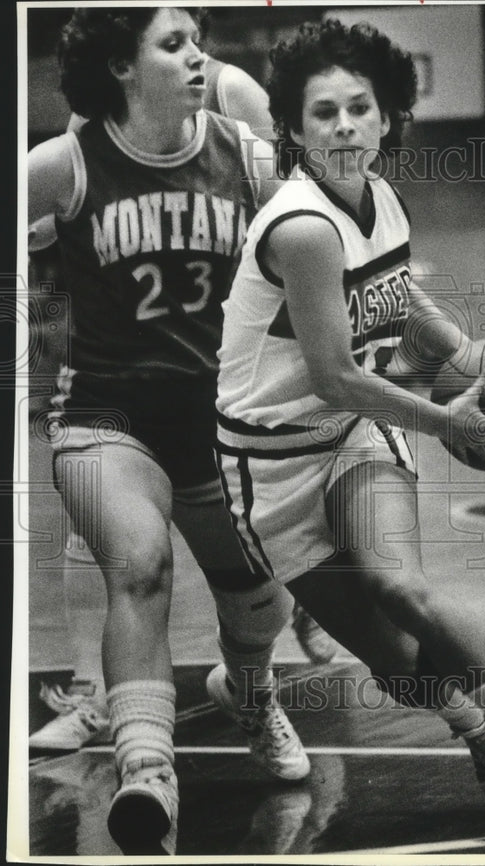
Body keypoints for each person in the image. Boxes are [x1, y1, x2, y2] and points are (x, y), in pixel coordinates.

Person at [214, 18, 485, 834]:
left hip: (350, 437)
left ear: (388, 116)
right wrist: (446, 413)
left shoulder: (382, 197)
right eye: (324, 112)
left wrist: (469, 358)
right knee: (396, 663)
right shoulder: (304, 226)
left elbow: (398, 295)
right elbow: (338, 375)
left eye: (361, 107)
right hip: (272, 462)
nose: (346, 124)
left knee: (402, 586)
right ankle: (476, 729)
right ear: (291, 128)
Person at [28, 7, 313, 855]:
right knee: (140, 562)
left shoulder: (249, 155)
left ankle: (254, 693)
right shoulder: (60, 165)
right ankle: (148, 772)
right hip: (105, 416)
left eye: (199, 40)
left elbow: (335, 245)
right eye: (175, 44)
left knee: (255, 601)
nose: (201, 57)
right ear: (122, 66)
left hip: (224, 418)